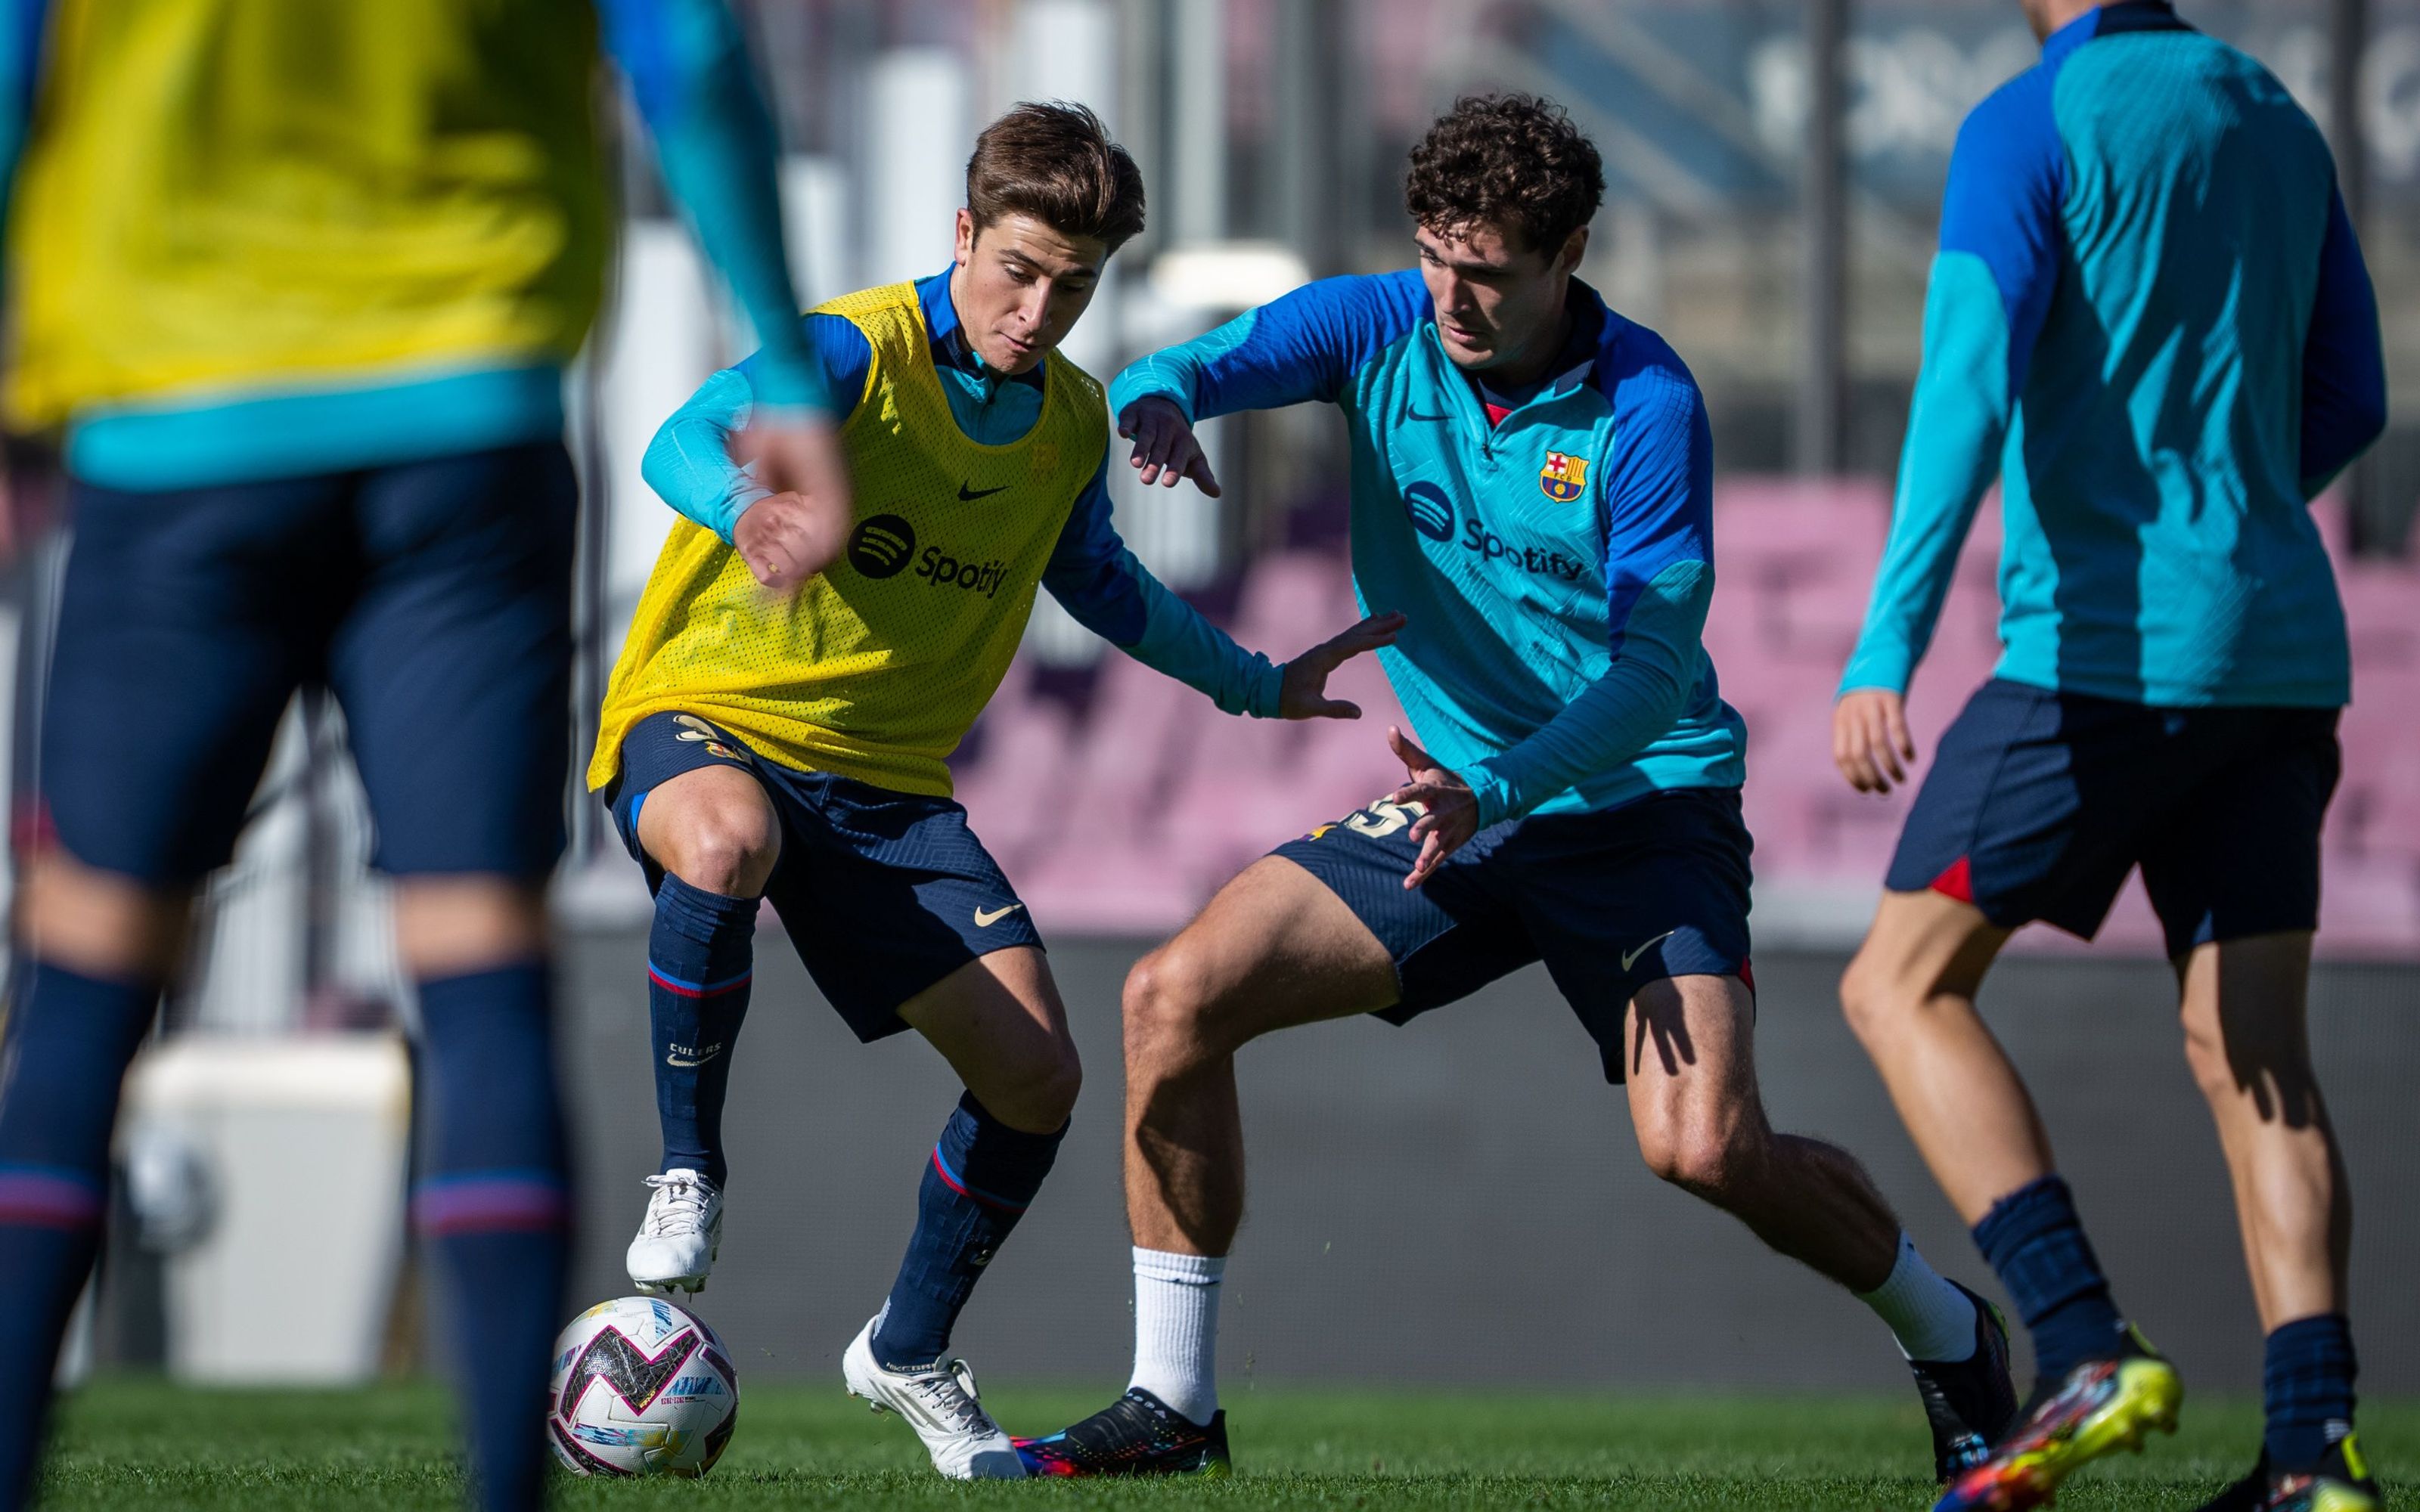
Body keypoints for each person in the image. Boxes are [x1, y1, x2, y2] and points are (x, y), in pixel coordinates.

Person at [1016, 93, 2015, 1483]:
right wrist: (1165, 403)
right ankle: (1176, 1408)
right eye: (1436, 254)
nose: (1453, 293)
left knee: (1706, 1149)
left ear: (1570, 254)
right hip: (1457, 810)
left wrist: (1498, 787)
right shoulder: (1377, 323)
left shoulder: (1650, 406)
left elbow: (1654, 680)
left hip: (1634, 806)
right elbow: (1173, 365)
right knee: (1171, 999)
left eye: (1486, 270)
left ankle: (1948, 1329)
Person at [0, 3, 851, 1509]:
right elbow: (694, 55)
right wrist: (782, 359)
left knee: (85, 991)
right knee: (477, 979)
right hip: (467, 417)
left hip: (174, 421)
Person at [589, 101, 1395, 1482]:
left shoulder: (1070, 422)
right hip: (708, 716)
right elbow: (677, 441)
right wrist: (748, 510)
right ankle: (689, 1175)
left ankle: (906, 1349)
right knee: (724, 842)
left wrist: (1258, 684)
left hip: (890, 791)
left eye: (1072, 286)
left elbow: (1105, 587)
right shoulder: (853, 351)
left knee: (1038, 1079)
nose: (1038, 310)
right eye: (1018, 269)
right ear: (963, 233)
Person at [1829, 3, 2388, 1510]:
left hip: (2107, 657)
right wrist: (2239, 510)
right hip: (2277, 654)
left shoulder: (2025, 123)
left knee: (1897, 984)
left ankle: (2080, 1344)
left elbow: (1962, 392)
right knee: (2255, 1058)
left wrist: (1886, 644)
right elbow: (2352, 398)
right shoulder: (2271, 109)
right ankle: (2311, 1456)